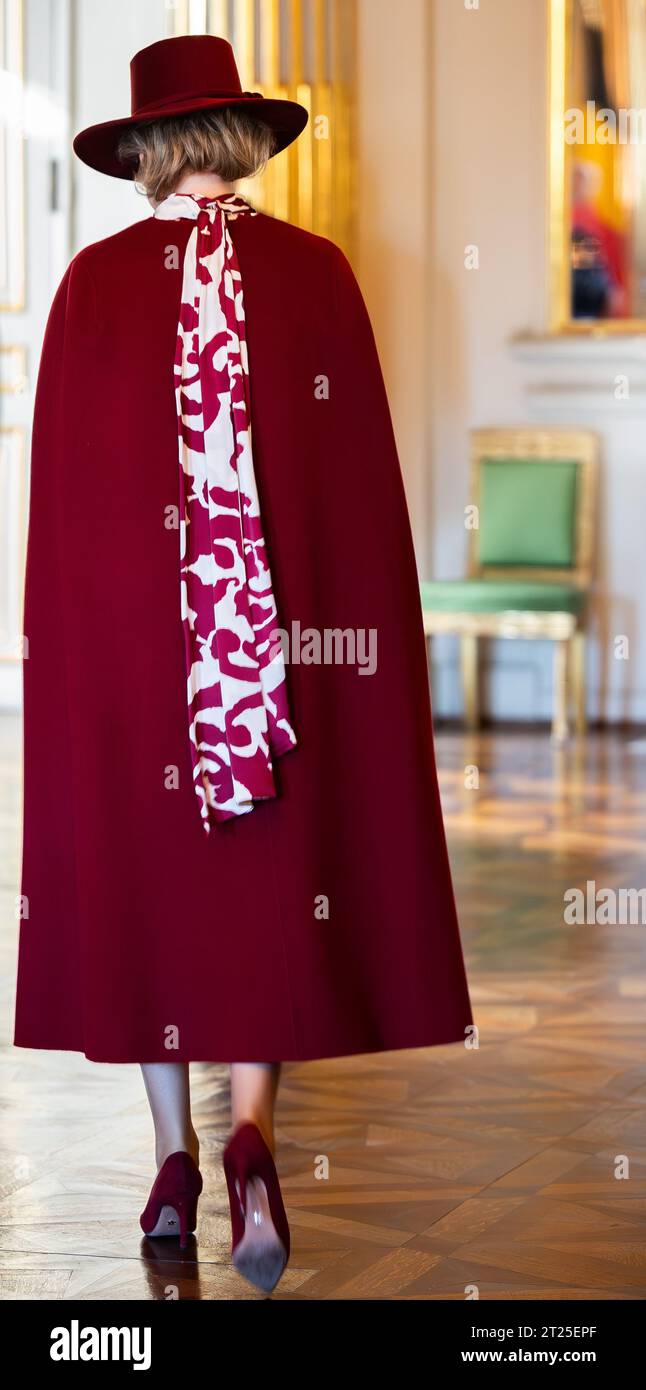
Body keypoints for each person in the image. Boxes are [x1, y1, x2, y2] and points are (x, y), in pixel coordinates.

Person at [14, 35, 473, 1295]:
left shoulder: (93, 287)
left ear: (150, 150)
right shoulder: (317, 277)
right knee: (269, 888)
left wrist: (81, 657)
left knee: (156, 894)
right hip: (270, 663)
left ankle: (174, 1159)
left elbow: (65, 510)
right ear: (246, 142)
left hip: (135, 660)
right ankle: (253, 1138)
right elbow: (355, 509)